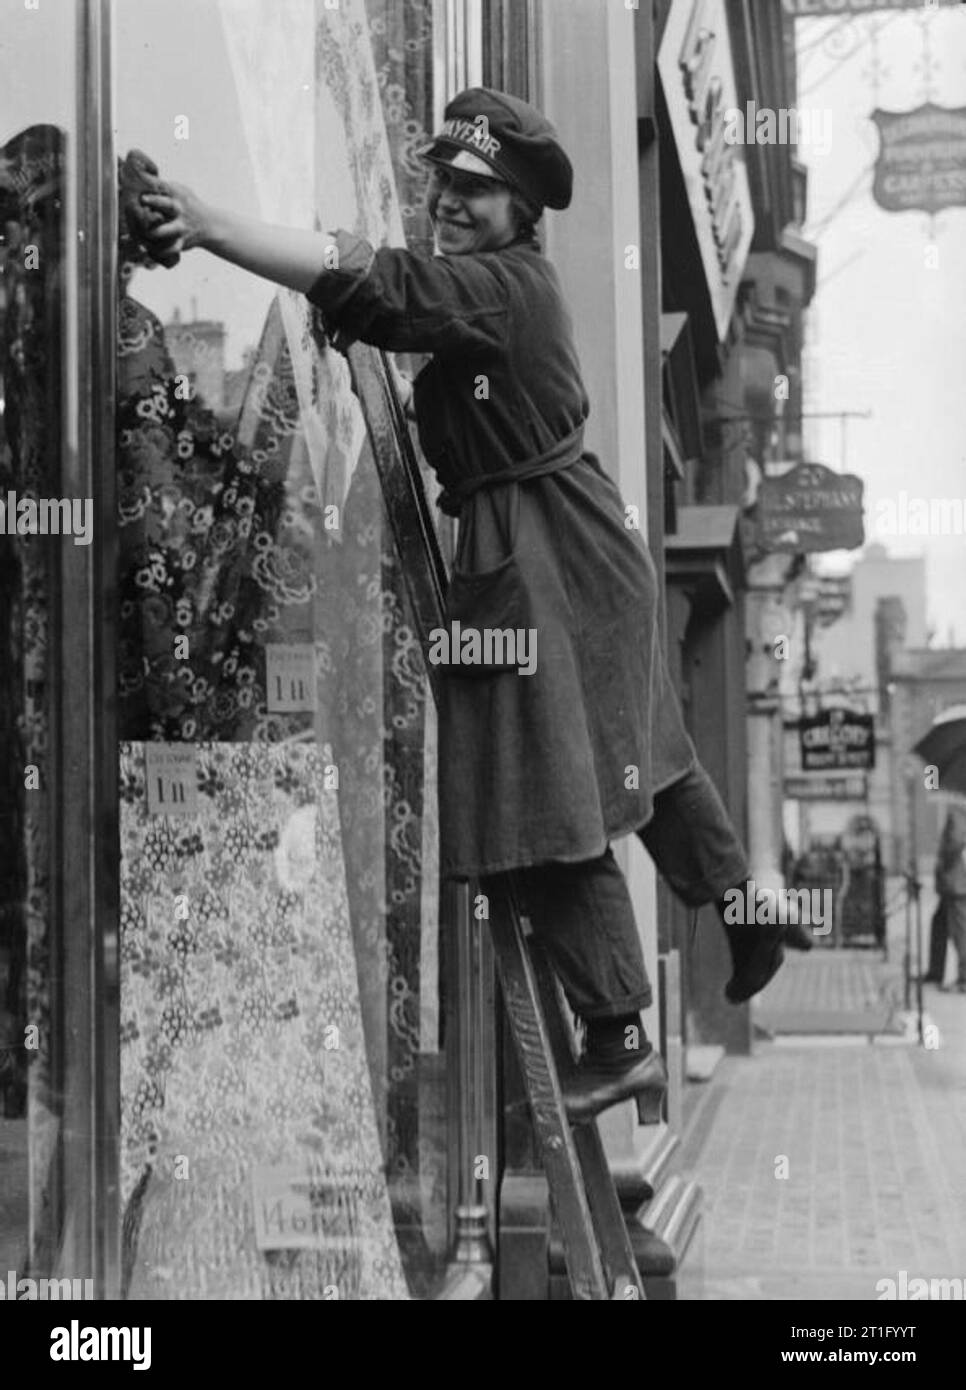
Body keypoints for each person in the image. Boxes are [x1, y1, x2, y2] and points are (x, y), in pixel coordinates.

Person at [130, 87, 793, 1124]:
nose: (450, 202)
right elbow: (391, 292)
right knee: (636, 749)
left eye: (476, 192)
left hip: (541, 546)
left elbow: (390, 290)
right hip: (566, 535)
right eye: (443, 182)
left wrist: (212, 226)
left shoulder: (505, 287)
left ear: (523, 210)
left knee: (548, 796)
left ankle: (619, 1030)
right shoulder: (506, 282)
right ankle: (743, 906)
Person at [931, 799, 966, 992]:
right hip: (956, 882)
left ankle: (963, 979)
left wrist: (943, 862)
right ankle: (936, 971)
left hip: (957, 880)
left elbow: (956, 839)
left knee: (961, 931)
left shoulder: (958, 807)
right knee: (940, 923)